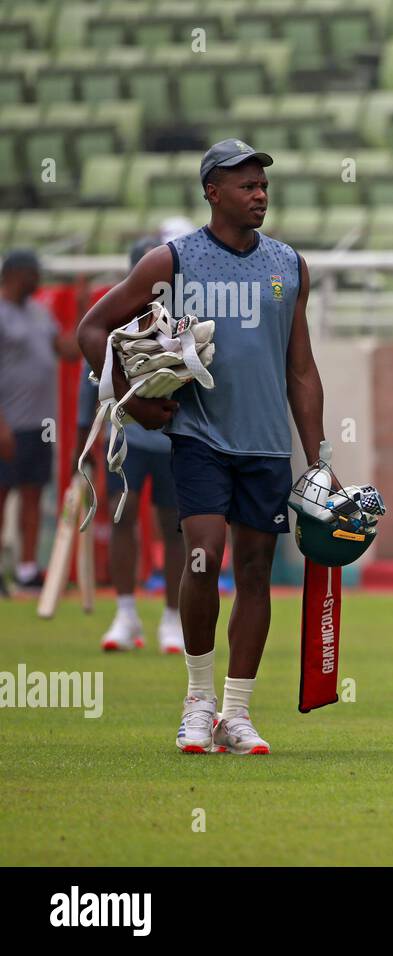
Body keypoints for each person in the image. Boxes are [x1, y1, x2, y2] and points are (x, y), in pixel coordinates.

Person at [77, 138, 329, 754]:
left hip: (267, 445)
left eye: (264, 185)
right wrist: (131, 401)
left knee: (254, 572)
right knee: (203, 557)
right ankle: (197, 702)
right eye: (246, 186)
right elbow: (92, 328)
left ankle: (236, 715)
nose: (259, 195)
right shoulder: (172, 260)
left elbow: (302, 369)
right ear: (212, 192)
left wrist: (320, 461)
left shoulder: (289, 265)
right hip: (200, 436)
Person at [76, 236, 185, 653]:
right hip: (124, 437)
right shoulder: (114, 318)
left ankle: (172, 619)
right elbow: (94, 373)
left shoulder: (180, 318)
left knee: (174, 527)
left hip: (172, 439)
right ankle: (125, 613)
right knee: (122, 520)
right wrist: (82, 438)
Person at [0, 249, 81, 593]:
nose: (38, 281)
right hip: (8, 422)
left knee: (33, 493)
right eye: (34, 274)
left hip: (40, 424)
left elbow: (68, 351)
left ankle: (28, 569)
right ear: (18, 274)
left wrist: (81, 313)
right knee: (2, 495)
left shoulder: (38, 312)